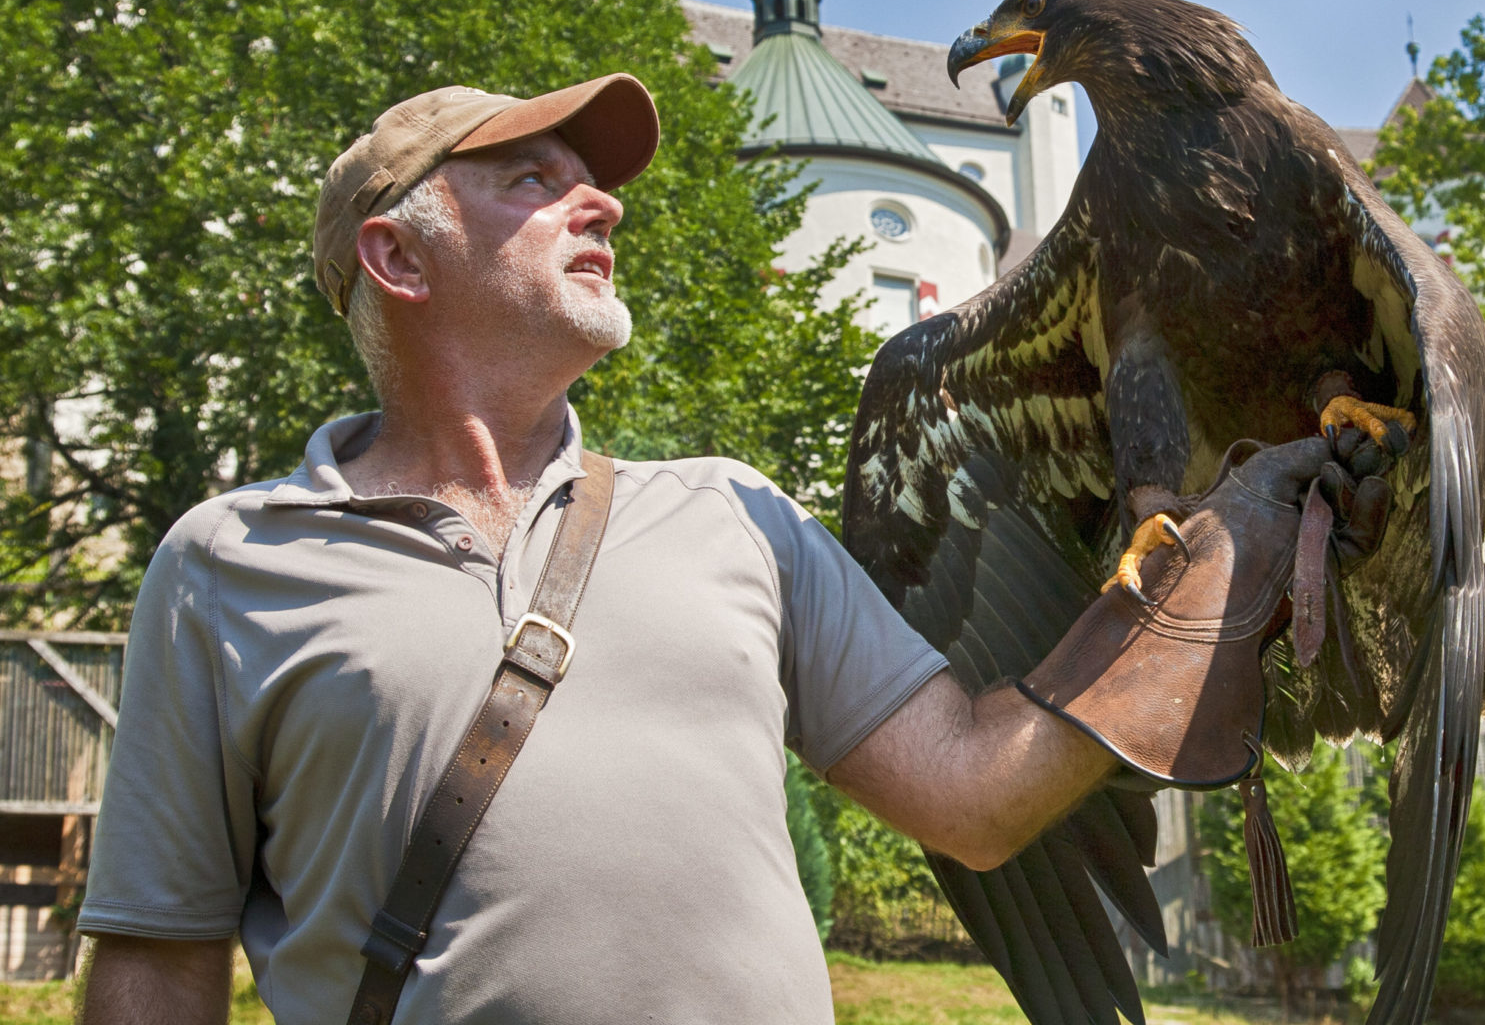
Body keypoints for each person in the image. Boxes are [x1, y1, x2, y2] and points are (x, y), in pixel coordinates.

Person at [72, 75, 1121, 1025]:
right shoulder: (228, 562)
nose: (605, 206)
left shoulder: (737, 513)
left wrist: (1190, 570)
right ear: (397, 257)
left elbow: (975, 796)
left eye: (595, 183)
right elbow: (157, 959)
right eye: (533, 179)